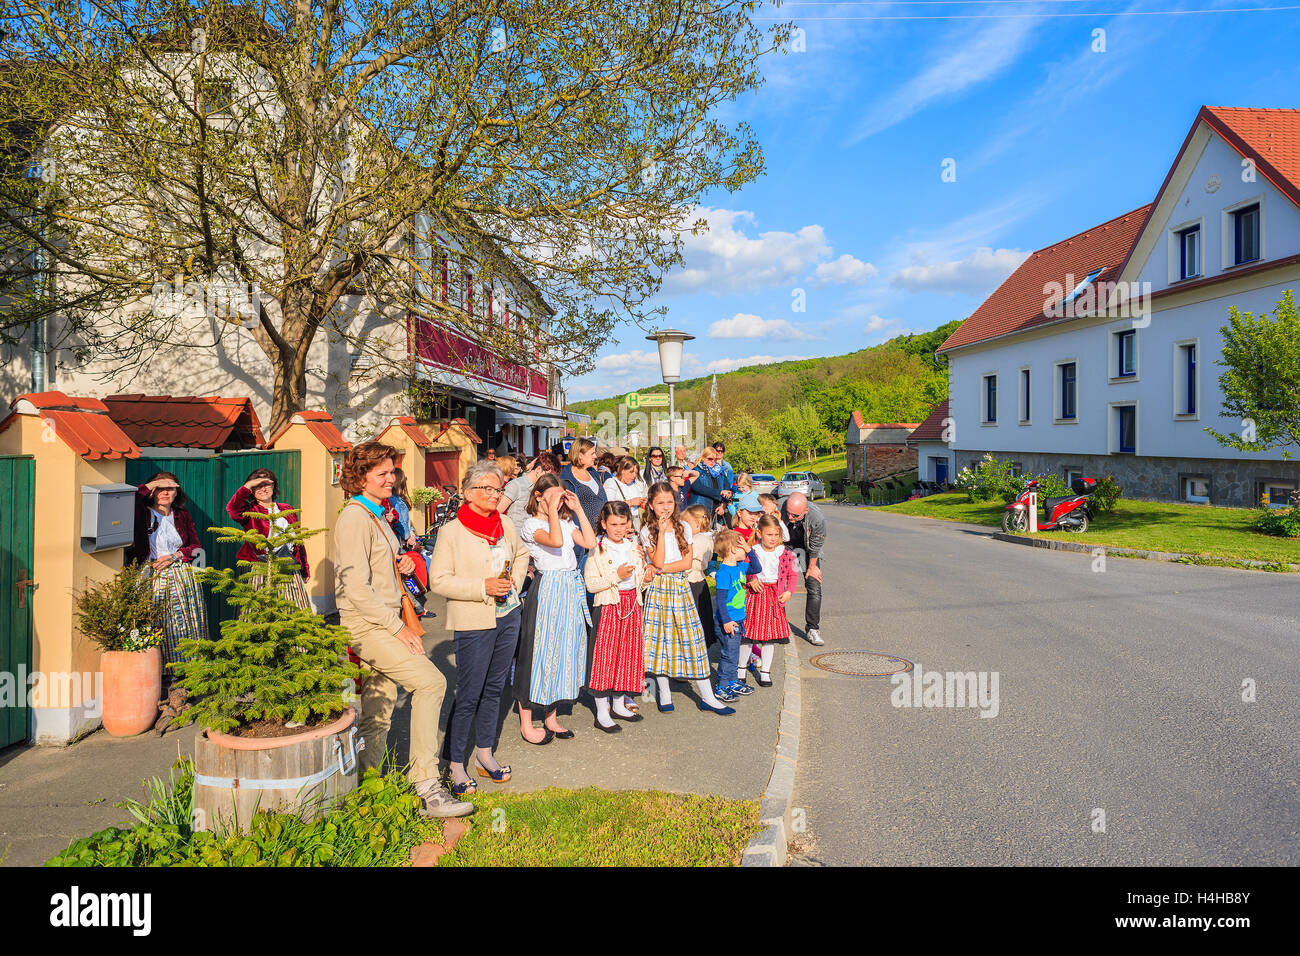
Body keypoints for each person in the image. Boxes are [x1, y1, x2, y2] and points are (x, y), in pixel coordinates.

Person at [334, 441, 471, 819]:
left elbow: (376, 568)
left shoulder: (376, 514)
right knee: (431, 683)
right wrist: (399, 629)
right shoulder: (354, 518)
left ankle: (365, 789)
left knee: (378, 710)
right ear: (361, 478)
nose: (391, 479)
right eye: (382, 473)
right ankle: (427, 786)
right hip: (369, 624)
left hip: (383, 619)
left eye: (392, 471)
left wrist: (402, 566)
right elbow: (356, 587)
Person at [428, 460, 530, 797]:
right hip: (473, 621)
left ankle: (485, 754)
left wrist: (511, 583)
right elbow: (438, 580)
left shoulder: (503, 523)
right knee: (469, 692)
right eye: (486, 488)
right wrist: (482, 586)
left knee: (494, 689)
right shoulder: (451, 532)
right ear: (468, 492)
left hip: (508, 616)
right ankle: (455, 762)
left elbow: (522, 555)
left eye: (497, 488)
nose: (493, 493)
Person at [639, 482, 734, 716]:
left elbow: (685, 563)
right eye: (660, 503)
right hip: (659, 590)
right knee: (661, 641)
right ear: (651, 504)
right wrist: (661, 533)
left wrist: (658, 568)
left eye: (669, 502)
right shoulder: (646, 531)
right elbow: (658, 561)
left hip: (681, 587)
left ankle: (708, 697)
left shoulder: (683, 526)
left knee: (693, 640)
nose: (665, 507)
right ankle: (664, 692)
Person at [515, 474, 596, 742]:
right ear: (538, 496)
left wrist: (578, 508)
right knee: (537, 651)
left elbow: (590, 543)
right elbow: (555, 542)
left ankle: (551, 716)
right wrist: (550, 507)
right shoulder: (530, 525)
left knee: (562, 651)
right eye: (552, 495)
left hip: (569, 587)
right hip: (548, 588)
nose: (558, 500)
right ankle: (527, 721)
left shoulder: (564, 520)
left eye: (561, 495)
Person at [584, 500, 653, 732]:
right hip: (608, 606)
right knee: (605, 657)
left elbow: (638, 581)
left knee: (627, 655)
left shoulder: (633, 545)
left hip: (632, 605)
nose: (618, 529)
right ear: (604, 524)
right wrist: (616, 575)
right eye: (613, 524)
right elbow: (591, 585)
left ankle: (618, 703)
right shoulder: (597, 548)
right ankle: (602, 711)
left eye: (623, 524)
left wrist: (646, 578)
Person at [130, 472, 208, 669]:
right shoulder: (143, 512)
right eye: (160, 488)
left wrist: (175, 556)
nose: (165, 492)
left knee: (185, 622)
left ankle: (187, 669)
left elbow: (195, 547)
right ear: (153, 491)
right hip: (151, 574)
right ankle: (159, 669)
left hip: (180, 575)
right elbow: (134, 498)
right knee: (156, 620)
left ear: (177, 492)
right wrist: (154, 482)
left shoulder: (181, 515)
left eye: (170, 488)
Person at [225, 468, 311, 611]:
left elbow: (298, 543)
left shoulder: (286, 509)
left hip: (288, 567)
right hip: (260, 568)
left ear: (274, 486)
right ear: (252, 490)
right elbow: (232, 509)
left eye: (267, 484)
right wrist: (247, 486)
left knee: (292, 610)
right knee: (260, 611)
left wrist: (304, 569)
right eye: (258, 485)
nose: (263, 489)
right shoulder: (250, 510)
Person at [744, 514, 797, 688]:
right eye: (769, 534)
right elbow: (743, 569)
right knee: (748, 636)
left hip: (774, 596)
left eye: (776, 535)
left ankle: (765, 672)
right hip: (755, 595)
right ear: (759, 533)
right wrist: (751, 578)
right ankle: (740, 669)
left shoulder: (785, 553)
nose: (773, 539)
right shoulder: (752, 552)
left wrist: (789, 591)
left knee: (769, 638)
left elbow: (793, 574)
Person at [712, 528, 755, 701]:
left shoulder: (740, 566)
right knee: (729, 654)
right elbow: (720, 601)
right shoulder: (724, 573)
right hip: (728, 621)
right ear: (732, 550)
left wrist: (750, 551)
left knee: (734, 653)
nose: (745, 548)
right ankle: (722, 685)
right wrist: (726, 621)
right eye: (742, 545)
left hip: (738, 618)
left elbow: (756, 567)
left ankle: (732, 681)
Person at [781, 491, 827, 646]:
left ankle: (813, 628)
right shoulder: (781, 507)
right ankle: (778, 624)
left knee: (814, 586)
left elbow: (815, 545)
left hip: (806, 551)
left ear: (805, 511)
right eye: (788, 514)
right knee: (777, 584)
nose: (791, 518)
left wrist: (812, 567)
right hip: (785, 546)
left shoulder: (817, 518)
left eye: (795, 515)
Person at [559, 437, 608, 564]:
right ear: (580, 455)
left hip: (601, 535)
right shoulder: (565, 477)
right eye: (592, 453)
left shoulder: (593, 473)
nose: (595, 456)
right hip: (581, 539)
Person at [682, 504, 717, 649]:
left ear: (696, 524)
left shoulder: (699, 540)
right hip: (696, 580)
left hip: (693, 581)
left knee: (695, 619)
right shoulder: (703, 537)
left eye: (686, 524)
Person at [499, 451, 560, 528]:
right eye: (549, 475)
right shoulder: (516, 485)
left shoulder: (542, 488)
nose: (550, 479)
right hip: (515, 537)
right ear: (538, 469)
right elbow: (497, 513)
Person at [603, 455, 649, 531]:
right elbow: (609, 506)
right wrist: (630, 502)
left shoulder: (634, 485)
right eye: (631, 472)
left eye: (636, 473)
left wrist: (643, 502)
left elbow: (639, 503)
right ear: (622, 470)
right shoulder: (611, 482)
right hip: (620, 523)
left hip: (636, 521)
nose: (634, 475)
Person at [686, 445, 726, 520]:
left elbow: (727, 488)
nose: (712, 462)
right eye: (710, 459)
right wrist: (719, 492)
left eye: (715, 459)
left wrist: (723, 505)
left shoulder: (720, 471)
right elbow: (697, 487)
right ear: (703, 458)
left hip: (715, 511)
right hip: (700, 509)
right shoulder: (696, 470)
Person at [387, 468, 419, 550]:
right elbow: (399, 522)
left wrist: (411, 533)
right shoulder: (394, 500)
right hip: (400, 542)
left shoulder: (398, 499)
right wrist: (408, 537)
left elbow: (407, 522)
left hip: (403, 540)